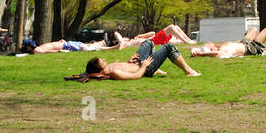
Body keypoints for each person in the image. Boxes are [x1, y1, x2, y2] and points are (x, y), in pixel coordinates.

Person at [70, 44, 202, 81]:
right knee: (168, 47)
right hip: (144, 68)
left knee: (148, 43)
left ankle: (156, 67)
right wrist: (144, 66)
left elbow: (126, 68)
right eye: (102, 62)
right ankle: (188, 71)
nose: (104, 59)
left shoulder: (109, 68)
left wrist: (129, 61)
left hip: (138, 63)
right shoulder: (114, 73)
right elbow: (135, 76)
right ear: (100, 69)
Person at [191, 26, 266, 58]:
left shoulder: (219, 45)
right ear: (210, 49)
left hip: (243, 43)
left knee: (254, 29)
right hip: (249, 48)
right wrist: (201, 54)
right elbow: (216, 53)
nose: (208, 42)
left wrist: (196, 51)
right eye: (207, 44)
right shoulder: (221, 51)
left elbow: (194, 50)